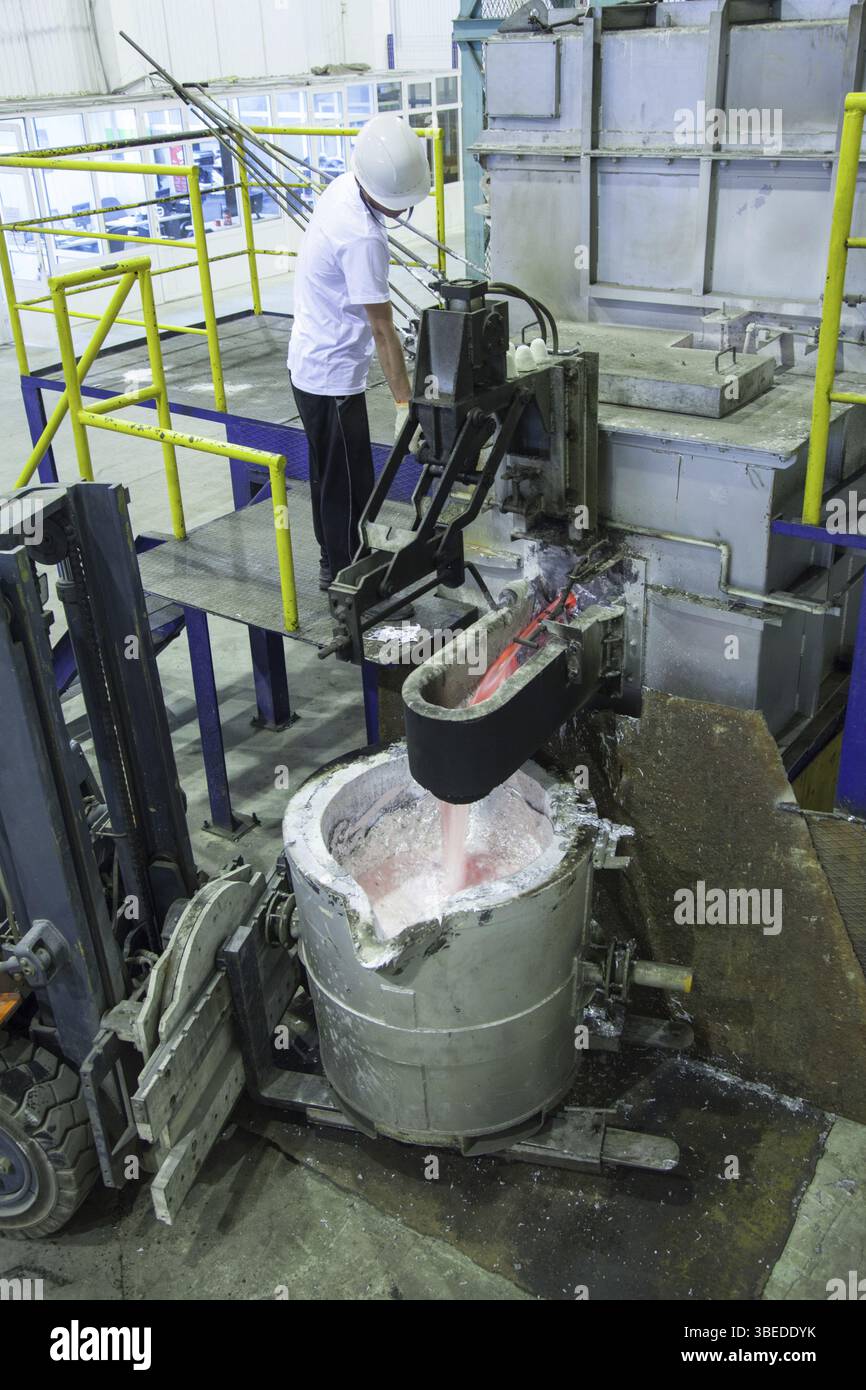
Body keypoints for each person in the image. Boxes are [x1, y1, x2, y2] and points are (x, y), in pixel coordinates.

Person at [287, 113, 430, 590]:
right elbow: (383, 329)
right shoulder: (363, 238)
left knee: (332, 483)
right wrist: (406, 405)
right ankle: (351, 587)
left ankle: (334, 566)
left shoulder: (345, 186)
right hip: (331, 379)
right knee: (350, 490)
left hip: (307, 363)